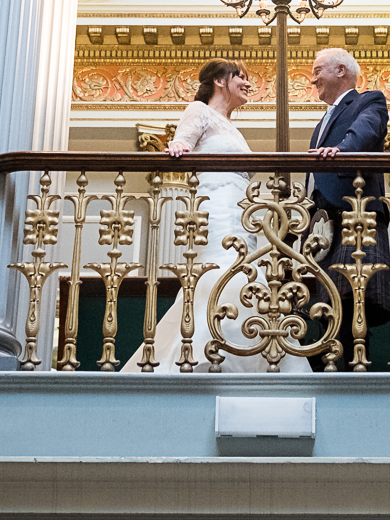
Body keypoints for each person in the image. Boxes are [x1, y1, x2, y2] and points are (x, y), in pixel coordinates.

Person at [125, 59, 310, 374]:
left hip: (241, 211)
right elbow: (184, 139)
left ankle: (249, 346)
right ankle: (203, 354)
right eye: (242, 77)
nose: (248, 83)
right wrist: (179, 147)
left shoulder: (232, 127)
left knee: (246, 271)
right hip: (216, 203)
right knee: (223, 270)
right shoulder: (200, 111)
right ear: (221, 81)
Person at [305, 46, 390, 368]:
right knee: (326, 304)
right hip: (325, 223)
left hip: (357, 216)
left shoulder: (369, 100)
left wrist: (343, 149)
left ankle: (351, 374)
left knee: (355, 300)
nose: (313, 80)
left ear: (340, 70)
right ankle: (329, 369)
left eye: (317, 71)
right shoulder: (323, 120)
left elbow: (367, 129)